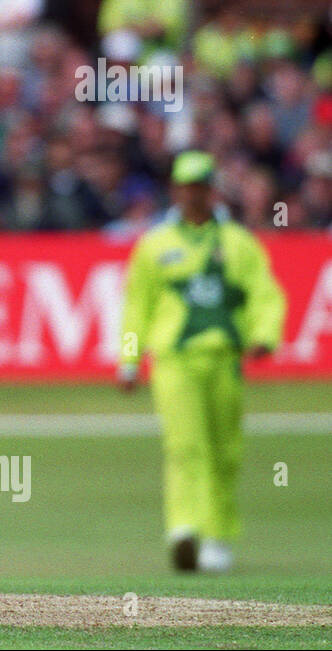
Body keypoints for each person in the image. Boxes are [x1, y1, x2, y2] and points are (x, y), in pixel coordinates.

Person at [118, 151, 286, 573]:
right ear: (176, 189)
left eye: (200, 186)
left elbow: (266, 293)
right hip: (175, 360)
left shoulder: (237, 243)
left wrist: (266, 335)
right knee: (183, 446)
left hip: (224, 359)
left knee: (224, 451)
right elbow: (136, 307)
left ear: (212, 190)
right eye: (185, 186)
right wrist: (129, 359)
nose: (192, 194)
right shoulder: (155, 245)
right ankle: (184, 528)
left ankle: (218, 535)